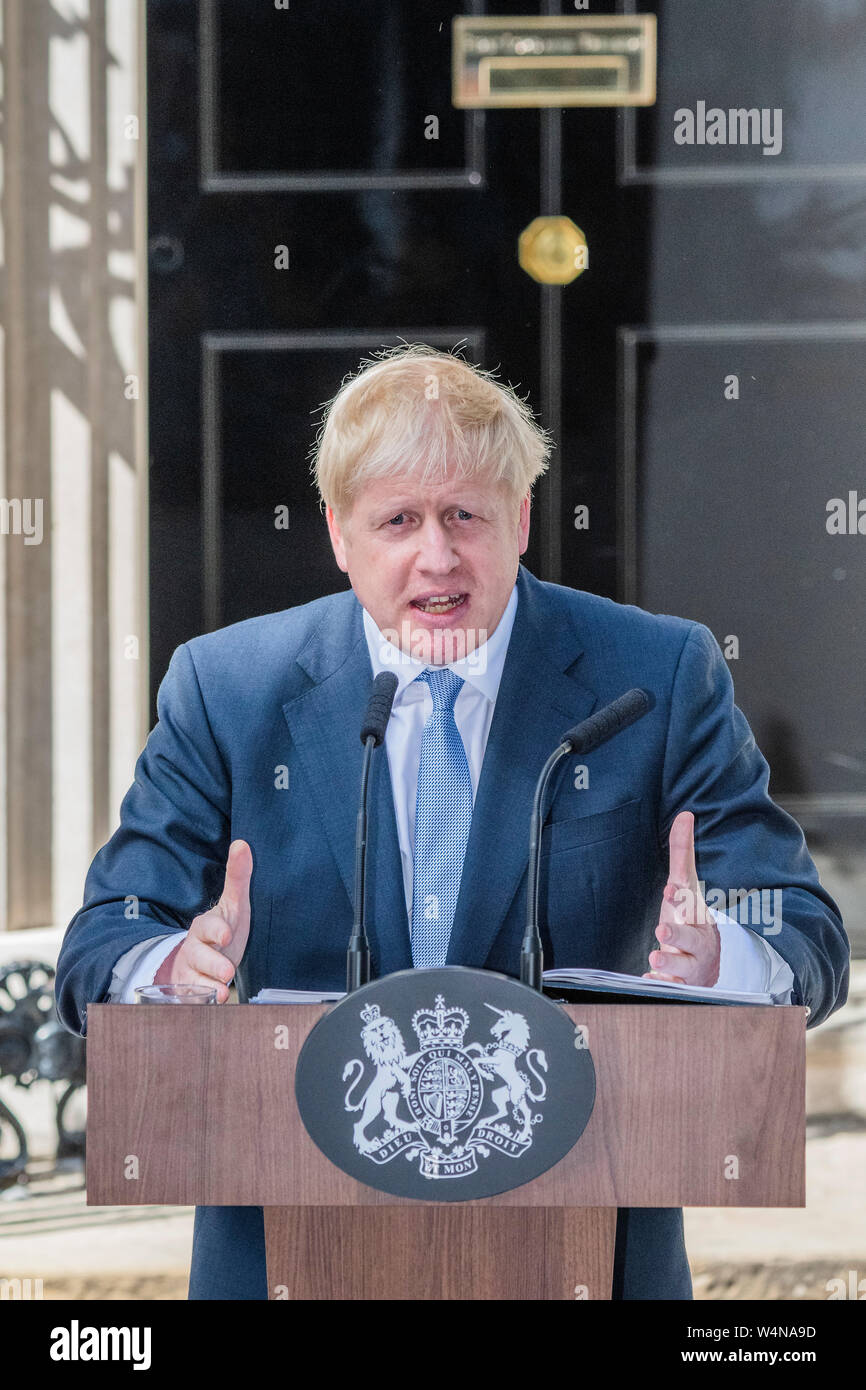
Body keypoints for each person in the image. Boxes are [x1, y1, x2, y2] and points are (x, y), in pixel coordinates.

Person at [55, 344, 849, 1300]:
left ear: (518, 520)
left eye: (465, 514)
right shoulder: (228, 689)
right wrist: (171, 971)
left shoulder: (655, 674)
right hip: (285, 1255)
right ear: (340, 535)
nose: (438, 557)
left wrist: (724, 962)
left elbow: (799, 926)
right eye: (399, 520)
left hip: (587, 1254)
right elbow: (104, 940)